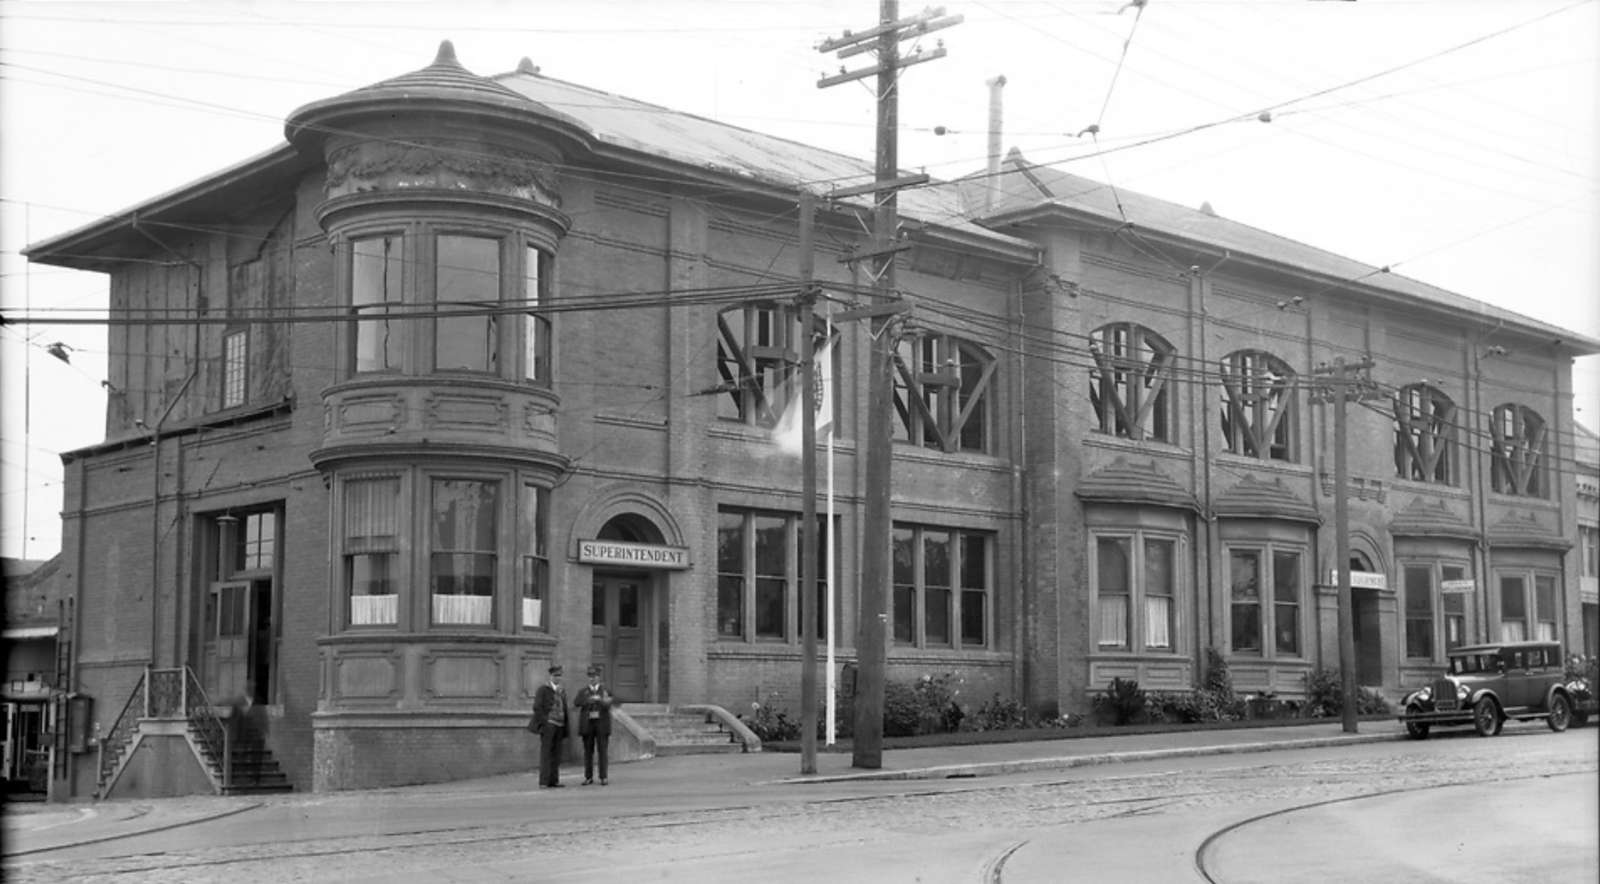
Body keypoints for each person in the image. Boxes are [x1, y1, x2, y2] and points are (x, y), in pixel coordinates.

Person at [575, 665, 617, 785]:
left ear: (599, 677)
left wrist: (599, 699)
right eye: (590, 677)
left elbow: (610, 705)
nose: (592, 679)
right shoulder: (583, 691)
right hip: (587, 724)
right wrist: (589, 699)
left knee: (602, 751)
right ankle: (588, 776)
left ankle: (603, 776)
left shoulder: (605, 691)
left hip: (601, 724)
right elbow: (577, 702)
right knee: (588, 751)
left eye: (594, 676)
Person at [531, 664, 569, 788]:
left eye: (559, 676)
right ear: (550, 676)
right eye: (555, 675)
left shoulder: (562, 690)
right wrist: (545, 721)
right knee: (546, 753)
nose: (557, 678)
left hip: (560, 724)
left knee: (557, 754)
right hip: (550, 724)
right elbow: (537, 707)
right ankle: (544, 780)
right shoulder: (543, 689)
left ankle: (554, 780)